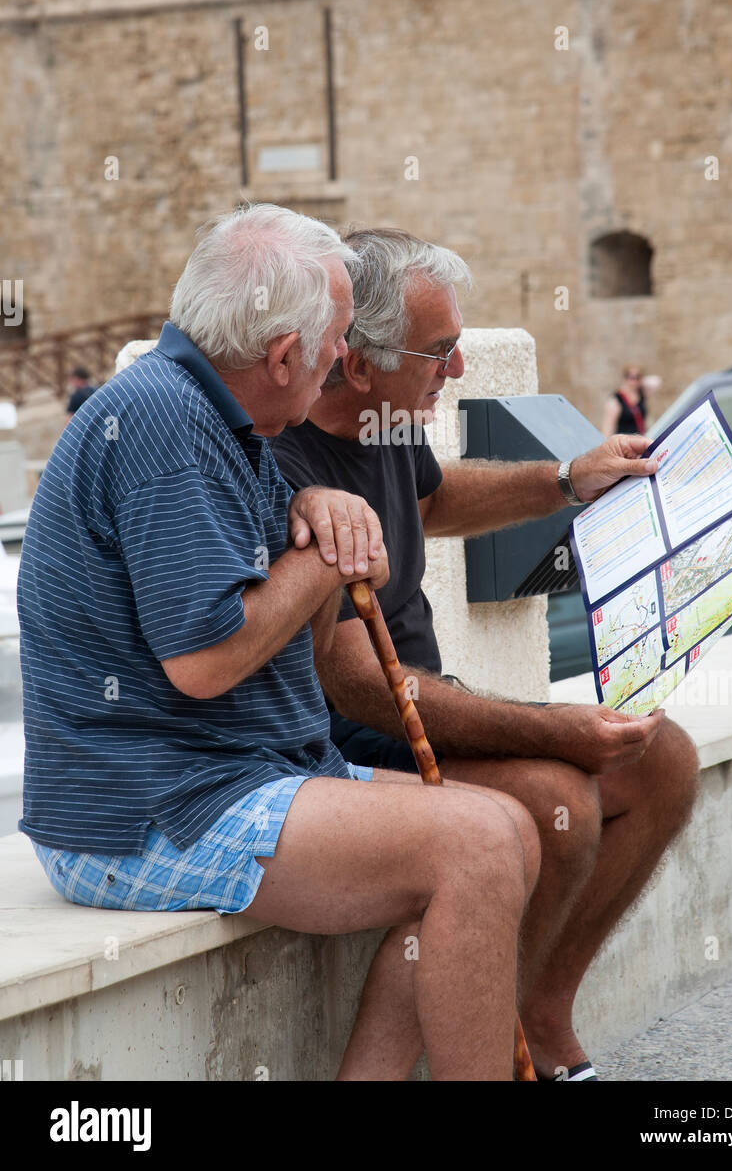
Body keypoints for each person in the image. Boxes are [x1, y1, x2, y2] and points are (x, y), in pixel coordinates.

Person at [19, 204, 549, 1081]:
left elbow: (290, 660)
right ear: (281, 358)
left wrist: (311, 515)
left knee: (508, 829)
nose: (347, 359)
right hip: (145, 812)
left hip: (234, 772)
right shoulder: (164, 423)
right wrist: (319, 559)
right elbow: (205, 662)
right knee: (478, 845)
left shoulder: (221, 415)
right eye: (339, 340)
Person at [271, 226, 700, 1081]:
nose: (457, 370)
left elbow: (431, 499)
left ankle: (537, 1013)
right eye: (441, 351)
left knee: (664, 761)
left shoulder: (386, 418)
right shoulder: (287, 468)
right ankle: (496, 1051)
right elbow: (357, 684)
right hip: (353, 740)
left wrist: (564, 480)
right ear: (356, 363)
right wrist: (554, 731)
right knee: (552, 798)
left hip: (422, 703)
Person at [601, 363, 659, 438]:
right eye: (631, 377)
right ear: (625, 378)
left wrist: (641, 380)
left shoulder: (642, 393)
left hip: (640, 440)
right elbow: (608, 428)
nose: (634, 381)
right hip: (624, 444)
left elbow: (656, 381)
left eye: (638, 377)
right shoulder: (615, 400)